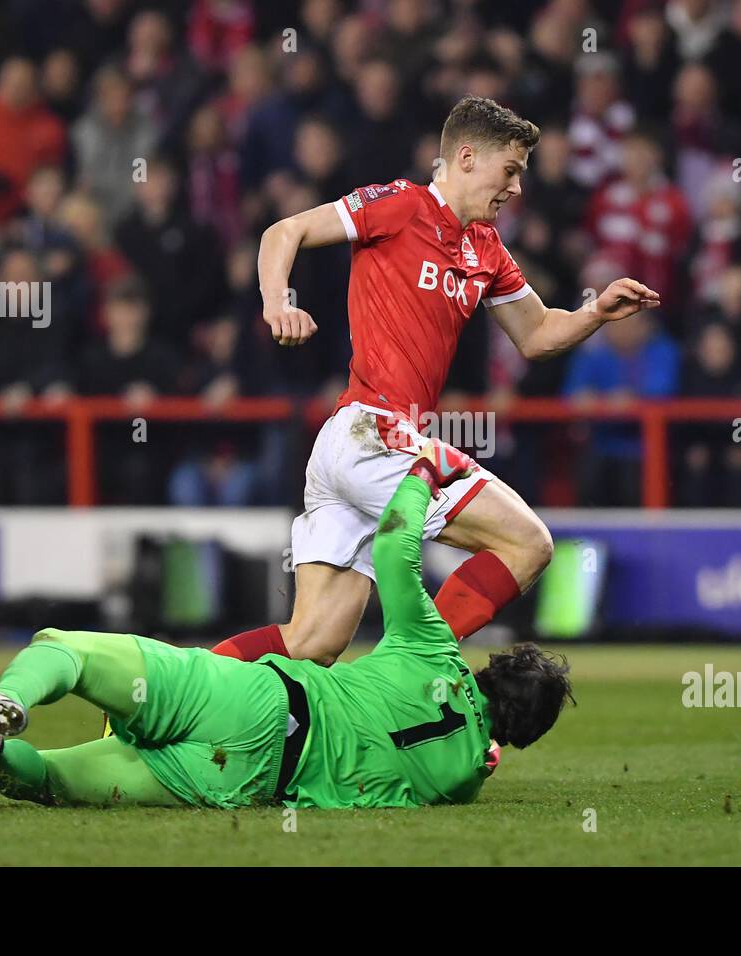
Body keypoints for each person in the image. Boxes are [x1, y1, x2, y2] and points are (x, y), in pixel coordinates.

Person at [0, 440, 574, 810]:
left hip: (256, 698)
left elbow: (395, 552)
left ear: (489, 664)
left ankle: (14, 702)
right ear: (519, 738)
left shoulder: (434, 652)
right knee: (57, 785)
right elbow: (476, 757)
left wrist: (426, 470)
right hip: (245, 780)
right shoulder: (461, 779)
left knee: (66, 650)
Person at [214, 94, 660, 667]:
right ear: (468, 157)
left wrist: (594, 313)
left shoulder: (486, 248)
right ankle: (415, 671)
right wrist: (277, 304)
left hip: (360, 445)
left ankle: (169, 692)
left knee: (313, 642)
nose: (517, 187)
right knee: (528, 543)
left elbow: (537, 332)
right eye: (511, 170)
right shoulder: (400, 204)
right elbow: (285, 230)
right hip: (370, 435)